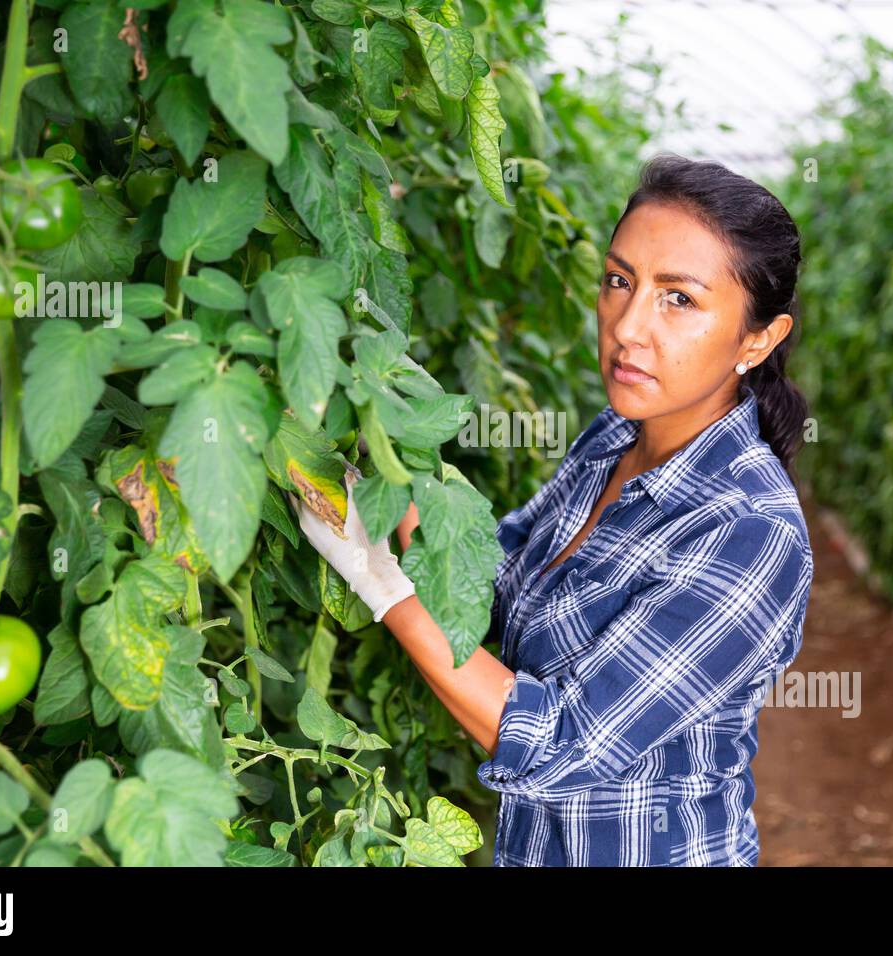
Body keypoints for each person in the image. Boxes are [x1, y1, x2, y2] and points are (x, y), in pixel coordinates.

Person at [295, 153, 815, 866]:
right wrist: (387, 487)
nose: (628, 326)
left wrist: (381, 581)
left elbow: (565, 745)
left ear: (759, 339)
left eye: (679, 299)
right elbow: (501, 584)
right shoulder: (616, 438)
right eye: (618, 281)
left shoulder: (750, 532)